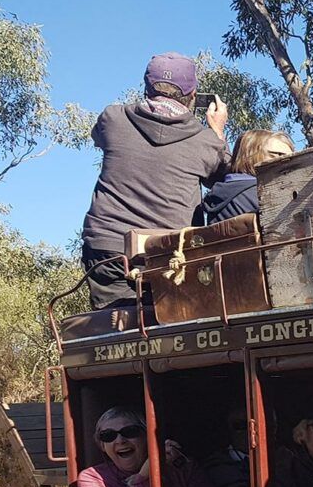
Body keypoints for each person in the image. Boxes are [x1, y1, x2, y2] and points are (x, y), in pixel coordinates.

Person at [80, 53, 230, 310]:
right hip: (170, 255)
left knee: (115, 329)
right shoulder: (205, 141)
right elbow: (224, 175)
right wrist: (217, 132)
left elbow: (98, 138)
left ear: (147, 87)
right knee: (168, 330)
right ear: (192, 95)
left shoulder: (113, 118)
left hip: (107, 250)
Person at [78, 406, 231, 487]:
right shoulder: (92, 478)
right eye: (108, 436)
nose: (120, 440)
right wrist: (146, 475)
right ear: (102, 446)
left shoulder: (183, 467)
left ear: (147, 437)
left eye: (130, 432)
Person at [198, 129, 296, 226]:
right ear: (250, 154)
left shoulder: (221, 196)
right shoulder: (262, 195)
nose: (288, 163)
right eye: (278, 155)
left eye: (293, 158)